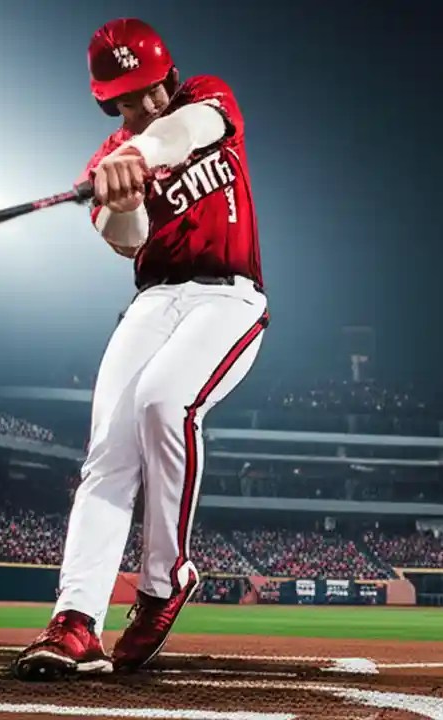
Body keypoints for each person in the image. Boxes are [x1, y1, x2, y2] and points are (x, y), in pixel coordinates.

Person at [14, 17, 267, 681]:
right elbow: (126, 239)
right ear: (109, 100)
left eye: (152, 88)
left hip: (228, 297)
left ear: (169, 76)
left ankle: (164, 580)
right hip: (154, 300)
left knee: (162, 402)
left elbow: (188, 131)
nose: (146, 103)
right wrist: (118, 191)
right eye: (130, 98)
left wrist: (141, 156)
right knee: (107, 453)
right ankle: (75, 621)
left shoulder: (208, 98)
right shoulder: (105, 159)